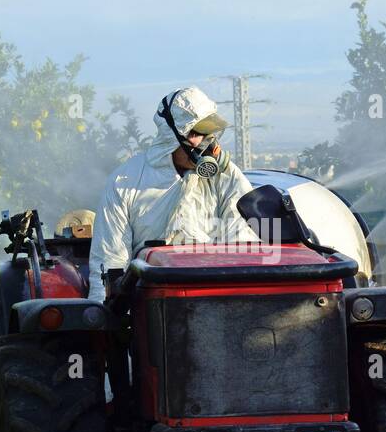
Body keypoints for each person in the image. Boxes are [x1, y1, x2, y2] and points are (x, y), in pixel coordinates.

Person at [88, 85, 258, 298]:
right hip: (151, 302)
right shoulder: (126, 181)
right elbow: (110, 258)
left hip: (212, 298)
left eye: (209, 133)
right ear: (170, 136)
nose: (207, 143)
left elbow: (243, 246)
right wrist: (108, 319)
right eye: (196, 134)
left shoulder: (226, 177)